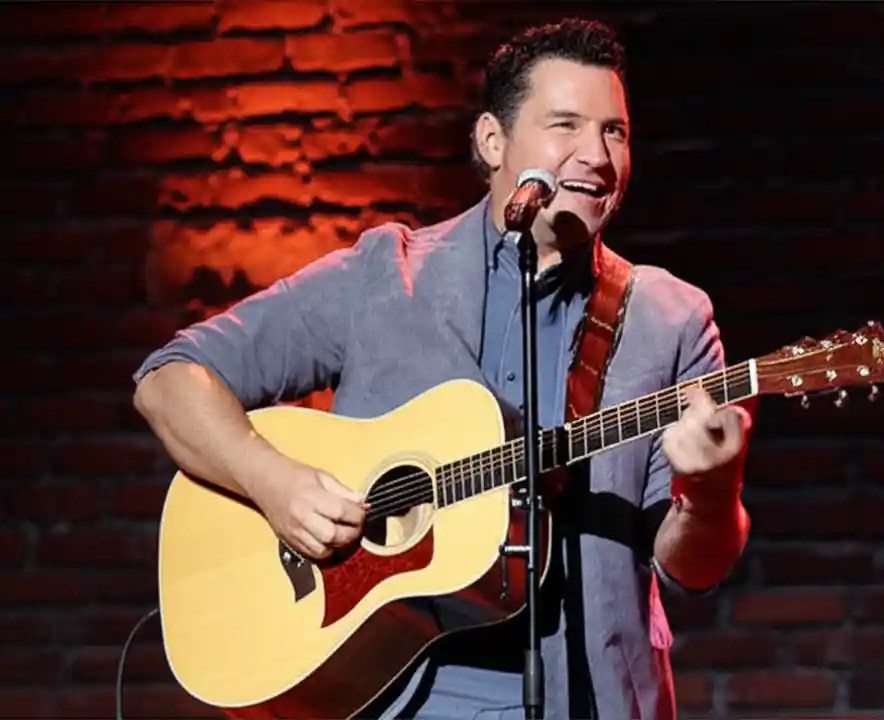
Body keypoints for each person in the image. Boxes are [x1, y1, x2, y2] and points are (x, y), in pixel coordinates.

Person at [132, 17, 752, 720]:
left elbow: (692, 569)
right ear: (493, 142)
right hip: (398, 699)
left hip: (584, 699)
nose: (597, 156)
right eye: (566, 125)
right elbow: (170, 379)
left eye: (615, 131)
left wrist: (710, 484)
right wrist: (273, 481)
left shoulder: (668, 319)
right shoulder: (384, 276)